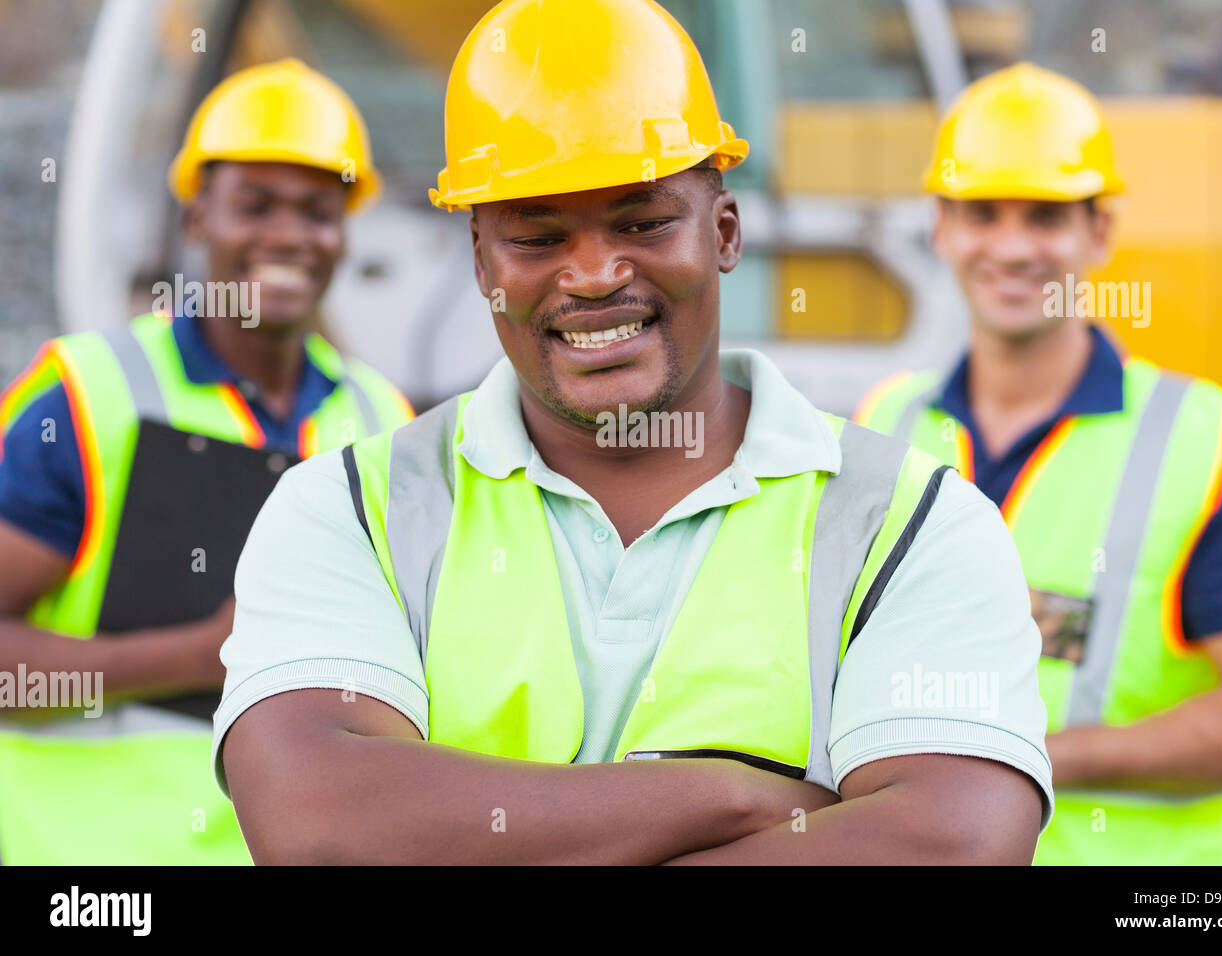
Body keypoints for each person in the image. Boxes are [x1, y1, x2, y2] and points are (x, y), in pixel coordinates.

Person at [216, 0, 1053, 865]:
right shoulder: (351, 511)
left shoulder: (908, 525)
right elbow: (321, 827)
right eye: (538, 236)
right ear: (481, 261)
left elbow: (953, 846)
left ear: (723, 231)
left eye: (642, 222)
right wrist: (739, 798)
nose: (593, 275)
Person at [854, 62, 1222, 865]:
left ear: (1099, 232)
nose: (1013, 247)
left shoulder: (1199, 445)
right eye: (983, 214)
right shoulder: (883, 424)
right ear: (943, 228)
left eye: (1047, 216)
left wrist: (1029, 762)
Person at [0, 58, 413, 864]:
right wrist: (196, 656)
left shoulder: (379, 421)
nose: (288, 236)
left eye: (316, 211)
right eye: (254, 206)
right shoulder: (92, 398)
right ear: (195, 217)